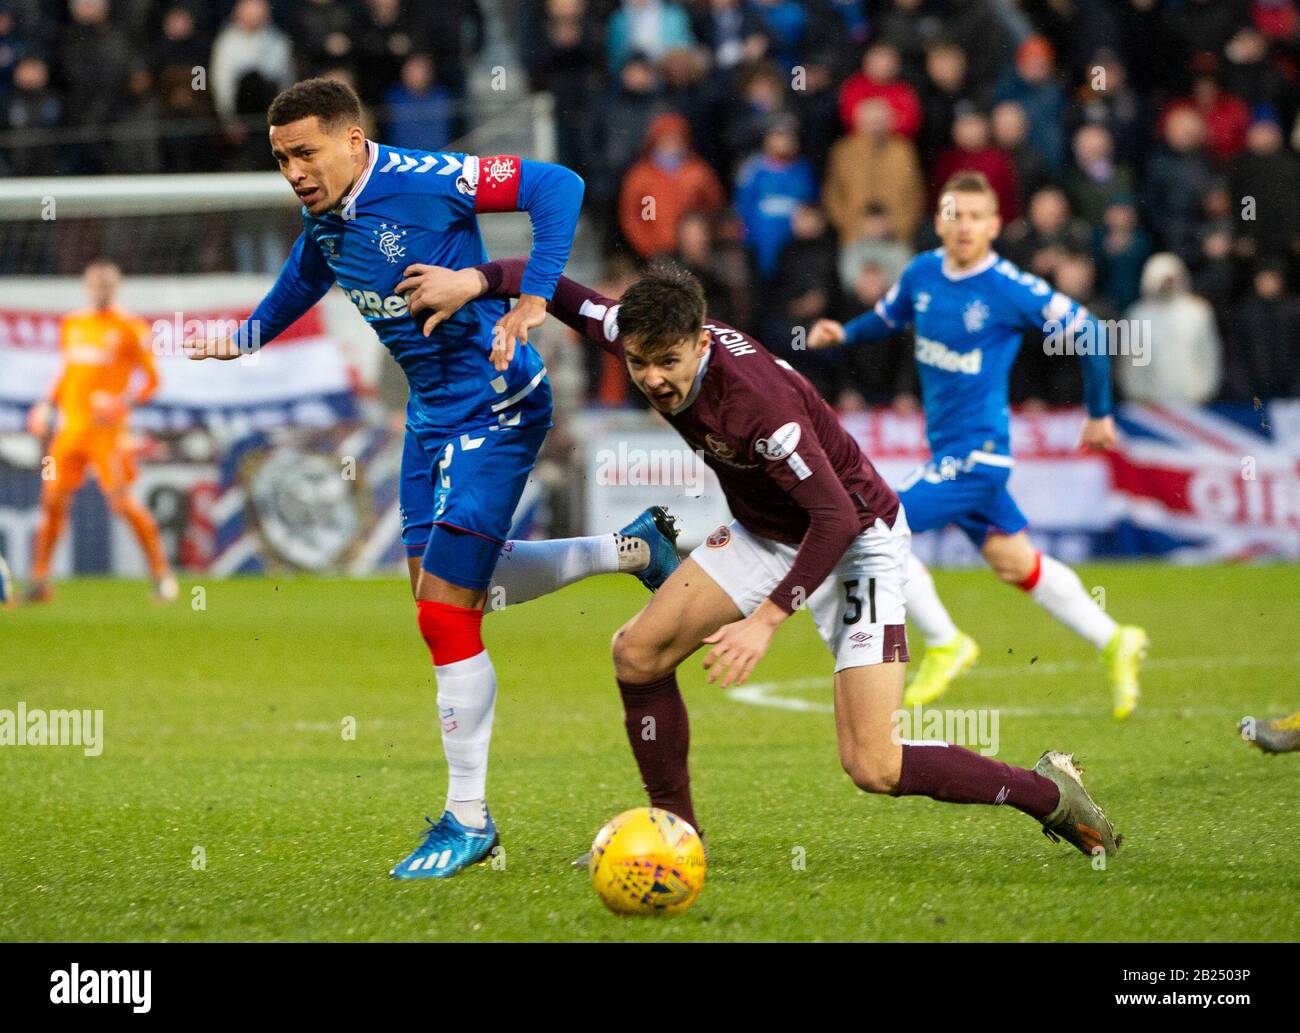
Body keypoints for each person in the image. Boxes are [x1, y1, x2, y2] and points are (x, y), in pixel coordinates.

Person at [394, 257, 1125, 862]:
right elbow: (545, 279)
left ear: (702, 345)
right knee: (637, 653)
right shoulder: (636, 332)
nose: (653, 379)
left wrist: (767, 619)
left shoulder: (756, 404)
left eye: (668, 362)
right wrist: (479, 283)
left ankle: (1049, 792)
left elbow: (835, 515)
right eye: (641, 363)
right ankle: (676, 835)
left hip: (857, 540)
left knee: (874, 765)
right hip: (764, 531)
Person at [184, 77, 680, 880]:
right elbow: (308, 272)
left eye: (305, 153)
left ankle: (469, 818)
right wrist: (243, 336)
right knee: (445, 592)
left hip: (497, 401)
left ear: (352, 140)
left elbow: (559, 184)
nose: (294, 172)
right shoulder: (326, 212)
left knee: (446, 615)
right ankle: (632, 550)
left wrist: (533, 295)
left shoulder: (428, 178)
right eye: (281, 159)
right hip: (430, 419)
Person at [808, 172, 1149, 720]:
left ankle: (946, 642)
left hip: (980, 456)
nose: (963, 226)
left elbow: (1090, 330)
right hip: (947, 452)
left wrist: (1100, 413)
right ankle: (1115, 638)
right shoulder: (921, 273)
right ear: (941, 221)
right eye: (954, 214)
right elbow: (887, 317)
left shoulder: (1009, 287)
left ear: (993, 225)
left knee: (875, 522)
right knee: (1016, 563)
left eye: (975, 216)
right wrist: (844, 333)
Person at [27, 259, 177, 605]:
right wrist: (46, 405)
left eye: (107, 285)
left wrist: (121, 401)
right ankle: (40, 580)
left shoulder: (130, 328)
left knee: (122, 503)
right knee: (51, 502)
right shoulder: (73, 324)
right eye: (96, 285)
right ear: (86, 286)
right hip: (70, 431)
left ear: (116, 288)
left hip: (108, 435)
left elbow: (153, 381)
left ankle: (161, 575)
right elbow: (67, 373)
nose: (101, 291)